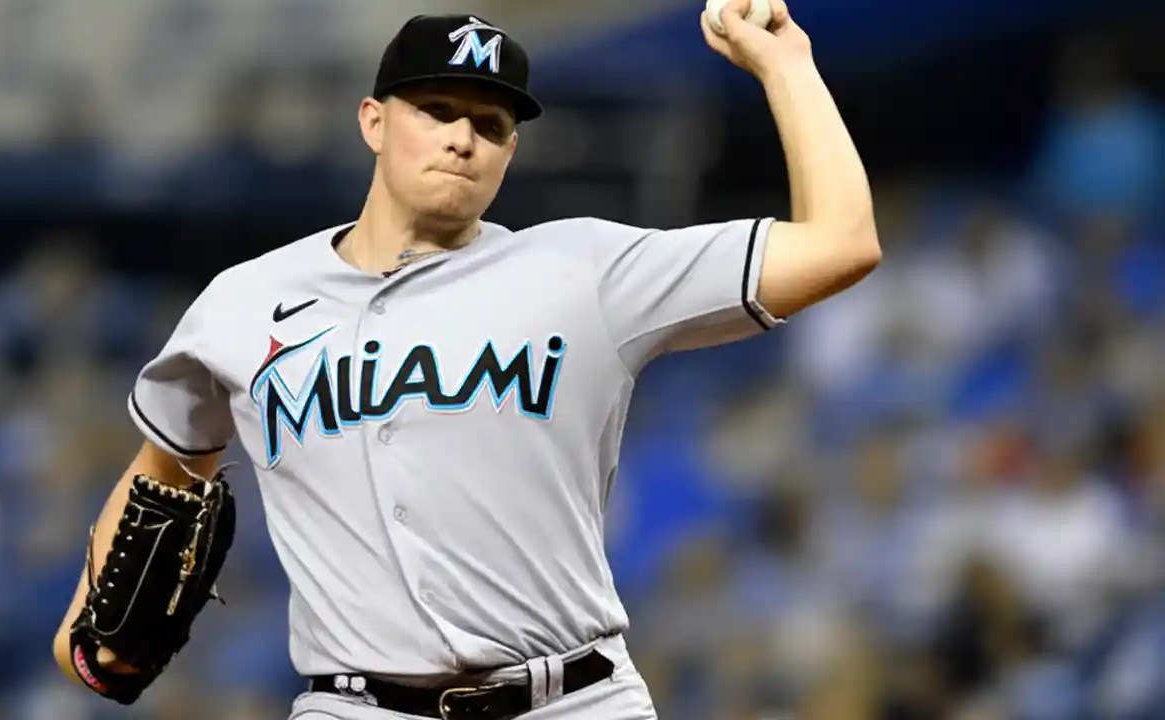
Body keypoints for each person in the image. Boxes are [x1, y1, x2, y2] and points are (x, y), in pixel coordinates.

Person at [52, 5, 881, 718]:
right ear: (374, 121)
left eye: (490, 125)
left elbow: (842, 244)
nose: (462, 139)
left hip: (574, 697)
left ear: (510, 153)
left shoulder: (586, 270)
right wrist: (83, 636)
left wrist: (786, 64)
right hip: (352, 703)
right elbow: (170, 464)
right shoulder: (243, 301)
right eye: (438, 109)